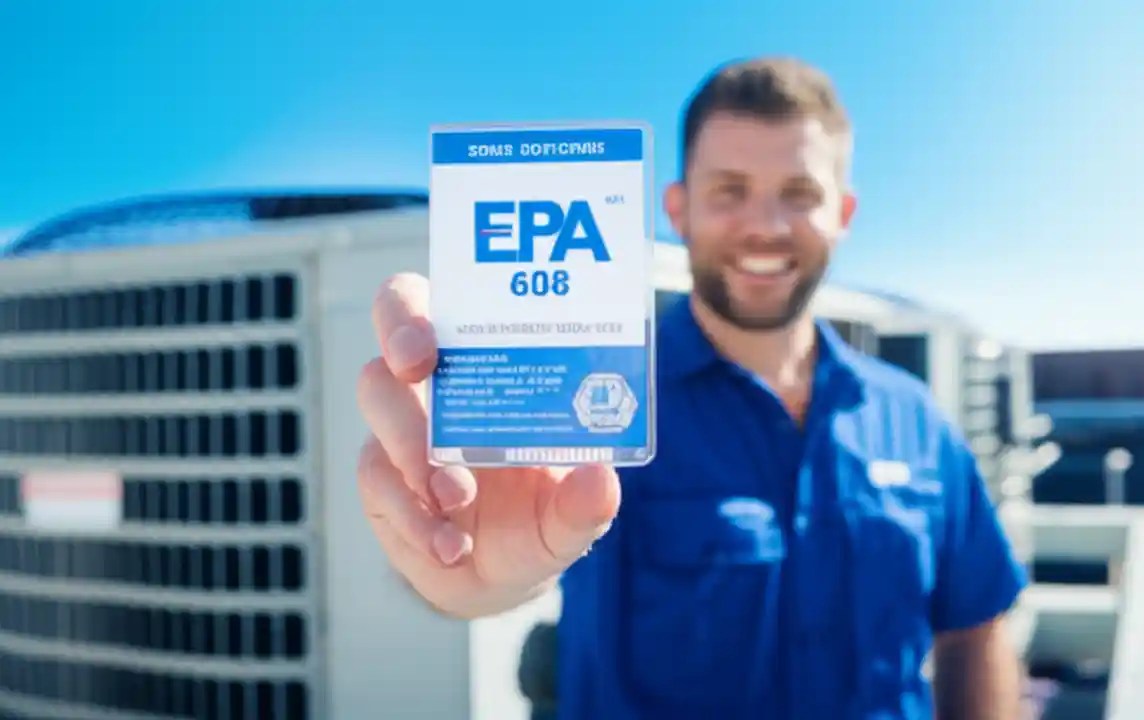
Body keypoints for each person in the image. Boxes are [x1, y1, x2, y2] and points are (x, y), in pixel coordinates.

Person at [356, 56, 1028, 719]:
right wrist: (462, 562)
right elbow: (487, 570)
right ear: (677, 209)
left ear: (843, 213)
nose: (764, 225)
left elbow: (975, 626)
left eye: (799, 193)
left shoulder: (915, 421)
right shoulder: (590, 405)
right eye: (729, 191)